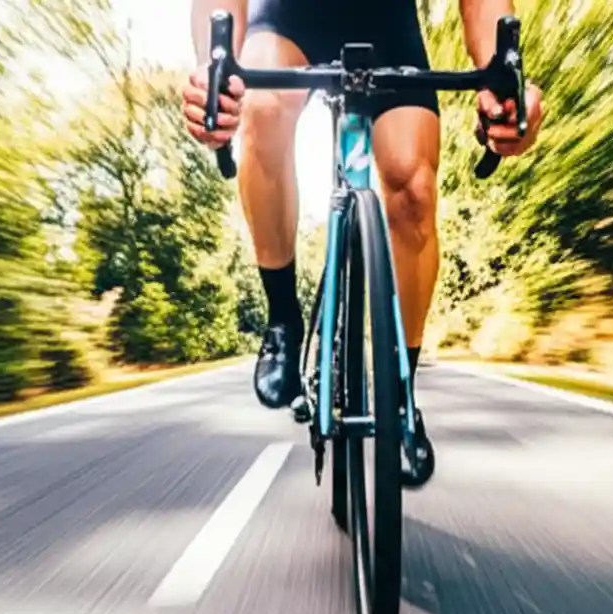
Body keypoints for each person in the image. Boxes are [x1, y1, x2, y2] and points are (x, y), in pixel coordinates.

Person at [182, 0, 543, 486]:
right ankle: (284, 320)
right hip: (290, 19)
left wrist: (501, 80)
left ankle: (400, 395)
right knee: (261, 109)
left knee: (414, 188)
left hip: (387, 24)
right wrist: (212, 76)